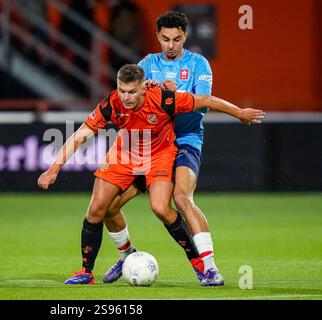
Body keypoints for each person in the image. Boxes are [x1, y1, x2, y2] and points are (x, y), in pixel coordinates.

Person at [37, 64, 265, 285]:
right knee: (98, 208)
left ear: (144, 88)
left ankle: (198, 263)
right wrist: (54, 167)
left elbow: (205, 100)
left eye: (132, 92)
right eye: (122, 91)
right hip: (125, 153)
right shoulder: (111, 104)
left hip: (159, 154)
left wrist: (240, 113)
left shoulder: (164, 99)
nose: (126, 97)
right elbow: (80, 135)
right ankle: (90, 270)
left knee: (161, 208)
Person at [102, 10, 226, 286]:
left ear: (185, 37)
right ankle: (127, 258)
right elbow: (132, 98)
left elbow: (203, 102)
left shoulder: (198, 64)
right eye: (166, 39)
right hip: (150, 146)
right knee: (108, 208)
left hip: (185, 139)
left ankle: (209, 268)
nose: (171, 45)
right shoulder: (146, 63)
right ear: (158, 37)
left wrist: (172, 93)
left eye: (177, 39)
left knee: (182, 198)